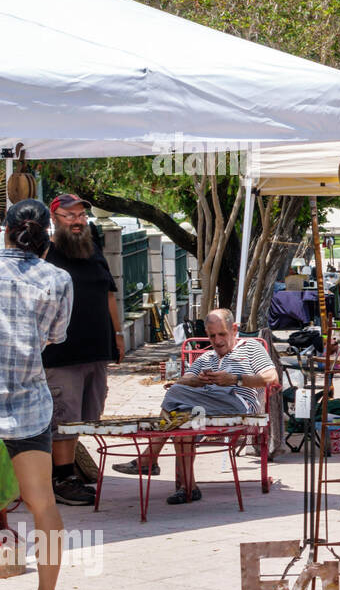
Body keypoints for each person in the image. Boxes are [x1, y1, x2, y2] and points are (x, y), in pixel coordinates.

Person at [113, 309, 277, 505]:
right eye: (212, 336)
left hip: (238, 404)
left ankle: (148, 458)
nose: (217, 341)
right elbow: (184, 380)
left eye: (222, 334)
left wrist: (235, 379)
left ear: (234, 330)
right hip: (205, 406)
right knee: (182, 413)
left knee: (177, 400)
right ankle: (188, 488)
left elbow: (271, 377)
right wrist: (197, 382)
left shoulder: (250, 347)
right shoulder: (207, 358)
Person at [1, 200, 72, 590]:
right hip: (27, 403)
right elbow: (55, 336)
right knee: (43, 505)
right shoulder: (58, 278)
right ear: (47, 234)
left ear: (6, 230)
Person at [42, 193, 123, 507]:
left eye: (80, 215)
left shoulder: (94, 249)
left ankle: (66, 472)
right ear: (55, 220)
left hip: (96, 348)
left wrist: (117, 335)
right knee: (63, 417)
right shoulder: (44, 252)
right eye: (69, 215)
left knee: (86, 416)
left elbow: (109, 293)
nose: (77, 221)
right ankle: (62, 479)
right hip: (61, 353)